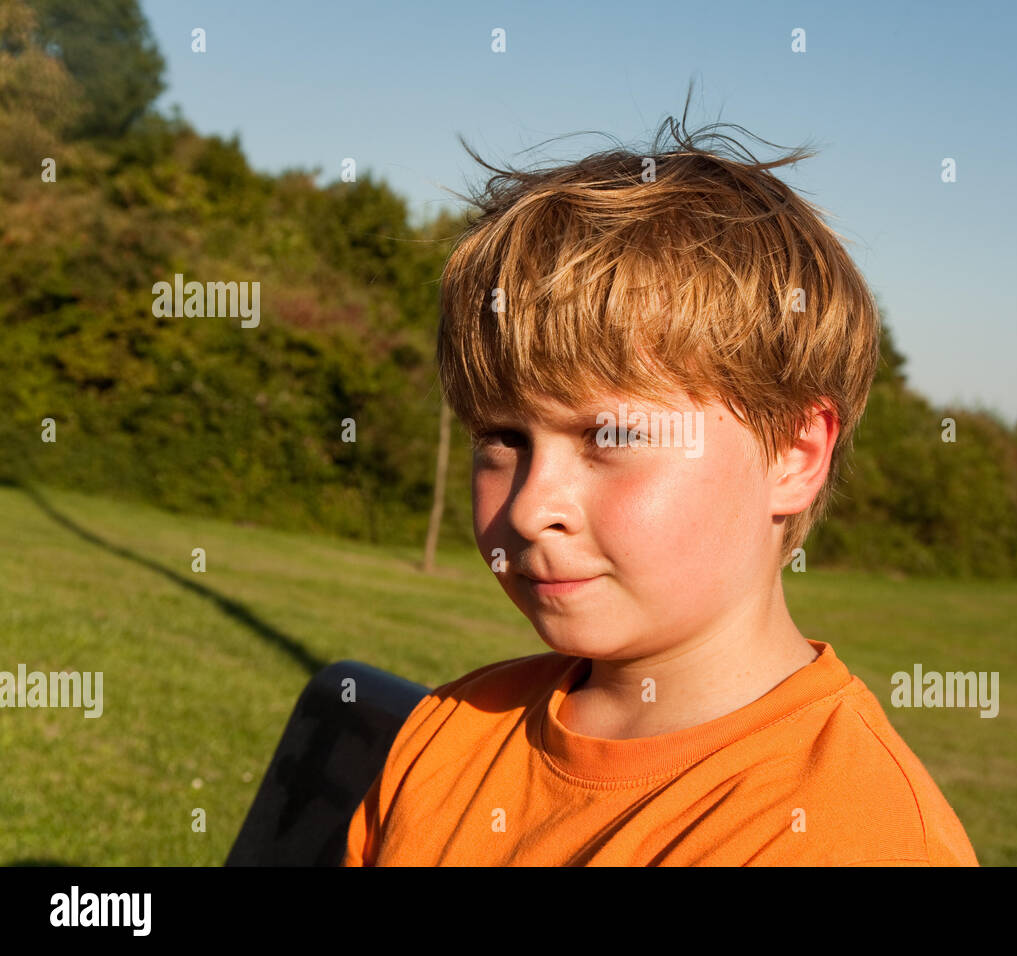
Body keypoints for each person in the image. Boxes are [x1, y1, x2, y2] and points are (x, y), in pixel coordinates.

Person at [343, 104, 978, 866]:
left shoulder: (849, 834)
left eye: (611, 437)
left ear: (794, 454)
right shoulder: (449, 731)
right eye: (503, 439)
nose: (534, 506)